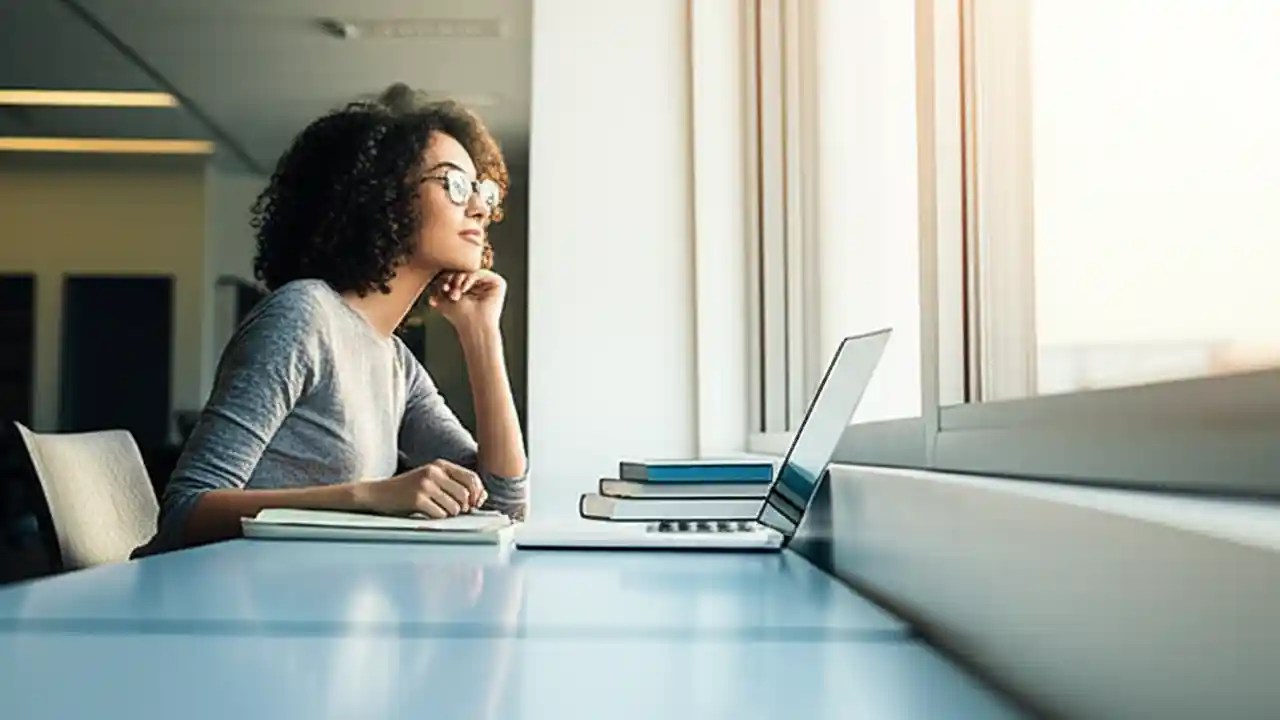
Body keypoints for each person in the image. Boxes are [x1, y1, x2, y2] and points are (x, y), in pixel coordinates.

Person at [134, 83, 527, 556]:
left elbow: (503, 503)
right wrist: (370, 497)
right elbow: (183, 513)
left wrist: (481, 333)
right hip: (226, 612)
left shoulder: (394, 361)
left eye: (480, 189)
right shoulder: (303, 316)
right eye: (454, 184)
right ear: (383, 197)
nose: (480, 206)